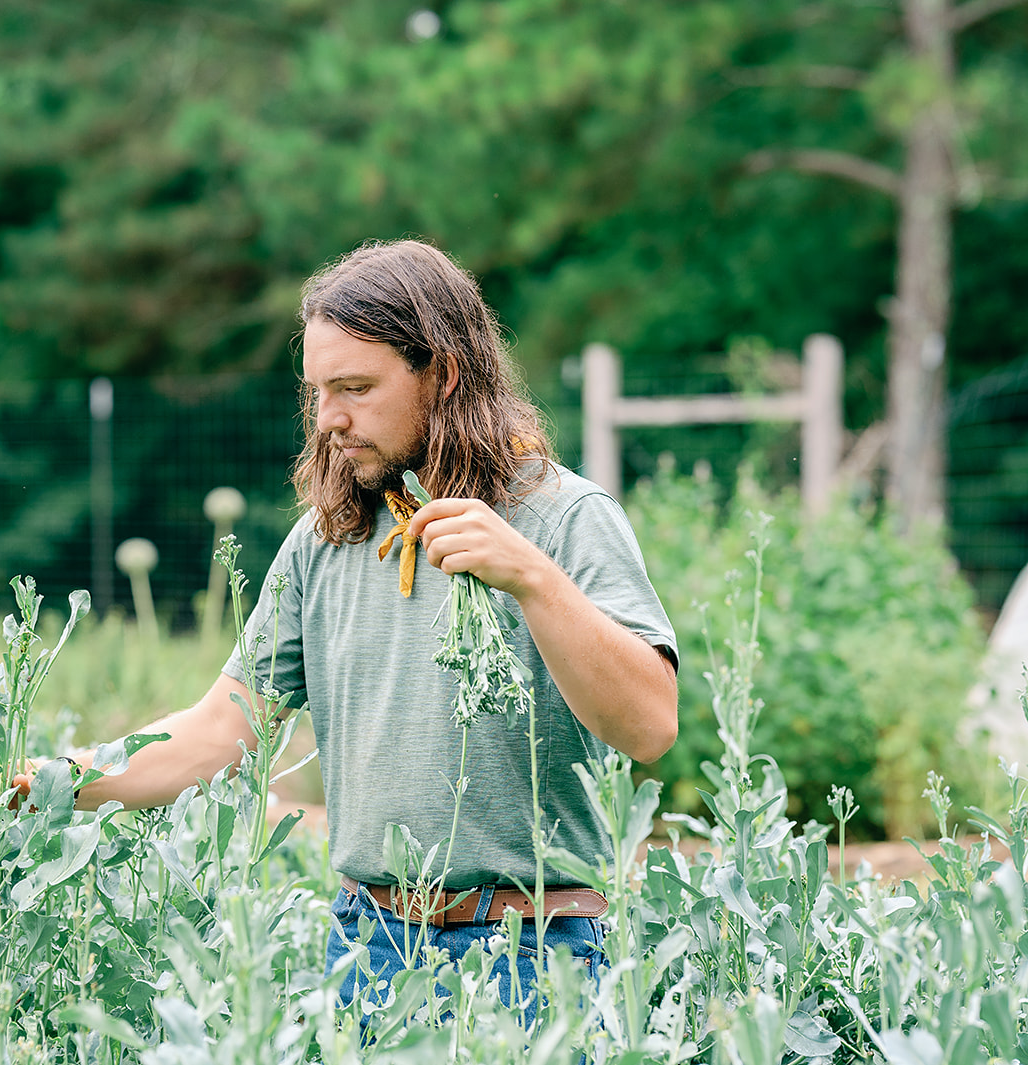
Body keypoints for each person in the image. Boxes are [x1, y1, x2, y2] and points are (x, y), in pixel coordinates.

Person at [60, 239, 679, 1008]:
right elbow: (219, 733)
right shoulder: (324, 540)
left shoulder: (565, 518)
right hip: (368, 947)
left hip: (534, 954)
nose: (329, 419)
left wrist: (533, 580)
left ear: (444, 374)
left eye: (355, 387)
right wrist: (60, 781)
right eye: (318, 391)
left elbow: (650, 725)